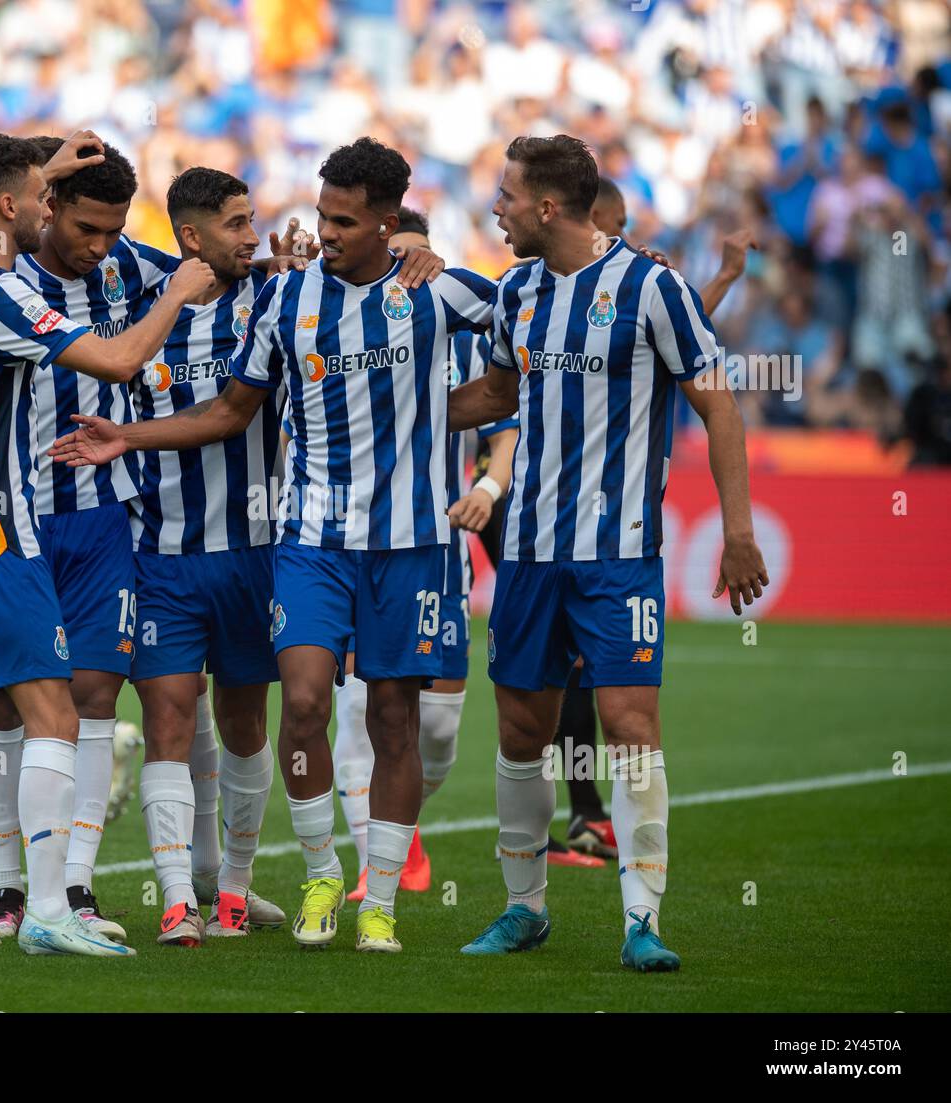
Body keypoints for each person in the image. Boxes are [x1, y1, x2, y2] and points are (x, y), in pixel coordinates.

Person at [50, 137, 493, 954]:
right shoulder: (231, 296)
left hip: (349, 544)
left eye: (340, 219)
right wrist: (126, 436)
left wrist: (429, 401)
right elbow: (225, 406)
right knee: (263, 708)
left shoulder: (383, 290)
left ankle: (323, 895)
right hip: (252, 544)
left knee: (354, 717)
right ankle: (259, 882)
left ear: (386, 221)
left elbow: (521, 345)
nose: (301, 232)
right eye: (241, 222)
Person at [0, 129, 215, 957]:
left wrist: (46, 169)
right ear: (10, 207)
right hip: (1, 528)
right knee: (54, 712)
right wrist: (177, 291)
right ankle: (54, 910)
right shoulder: (0, 297)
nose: (48, 206)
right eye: (40, 196)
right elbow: (122, 355)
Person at [450, 135, 768, 970]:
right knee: (524, 728)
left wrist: (738, 533)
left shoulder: (651, 287)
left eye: (508, 196)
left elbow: (719, 405)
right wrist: (391, 408)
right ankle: (524, 908)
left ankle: (641, 919)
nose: (497, 209)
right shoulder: (516, 291)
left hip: (618, 552)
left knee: (630, 723)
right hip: (525, 550)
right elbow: (496, 393)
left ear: (547, 207)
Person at [121, 166, 301, 943]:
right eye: (235, 222)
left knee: (243, 722)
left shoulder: (275, 300)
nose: (251, 234)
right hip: (163, 553)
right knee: (165, 716)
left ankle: (232, 887)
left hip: (254, 553)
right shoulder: (141, 319)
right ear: (190, 236)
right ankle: (174, 897)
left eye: (252, 219)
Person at [333, 206, 520, 902]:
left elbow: (503, 430)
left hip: (436, 546)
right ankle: (372, 861)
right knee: (360, 711)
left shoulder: (461, 339)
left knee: (434, 731)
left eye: (417, 260)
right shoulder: (341, 325)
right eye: (394, 258)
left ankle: (402, 813)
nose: (403, 275)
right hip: (349, 543)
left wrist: (490, 486)